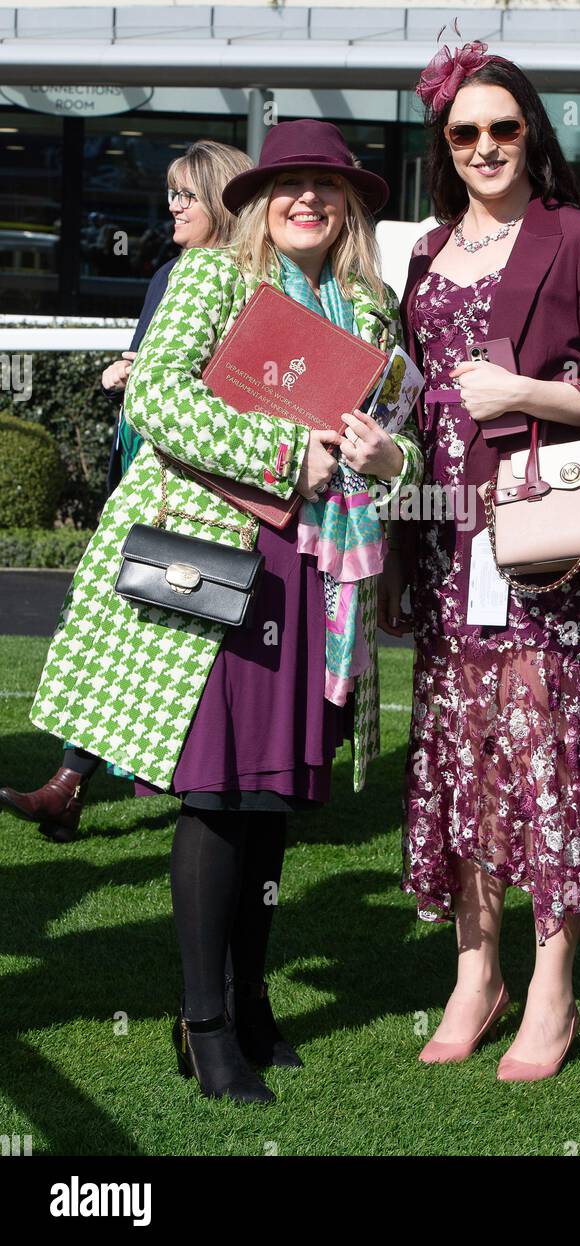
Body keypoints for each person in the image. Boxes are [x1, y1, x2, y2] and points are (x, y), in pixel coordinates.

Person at [27, 119, 422, 1104]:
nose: (306, 201)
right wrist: (286, 455)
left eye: (326, 188)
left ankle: (250, 1003)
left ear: (351, 207)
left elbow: (401, 441)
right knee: (216, 790)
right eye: (287, 185)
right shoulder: (211, 279)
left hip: (316, 573)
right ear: (255, 202)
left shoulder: (373, 310)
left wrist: (389, 460)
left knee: (271, 801)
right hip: (212, 555)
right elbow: (155, 399)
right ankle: (203, 1022)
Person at [394, 40, 580, 1083]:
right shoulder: (420, 251)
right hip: (438, 539)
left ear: (530, 133)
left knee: (538, 757)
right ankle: (473, 970)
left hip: (532, 541)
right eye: (464, 132)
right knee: (458, 756)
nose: (486, 146)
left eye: (503, 127)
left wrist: (527, 397)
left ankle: (550, 988)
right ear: (443, 146)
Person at [0, 140, 252, 842]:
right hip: (147, 464)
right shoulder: (171, 273)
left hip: (202, 478)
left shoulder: (235, 279)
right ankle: (72, 783)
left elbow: (237, 384)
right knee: (134, 620)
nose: (172, 207)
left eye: (186, 195)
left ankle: (78, 785)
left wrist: (148, 376)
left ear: (223, 203)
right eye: (170, 194)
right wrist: (130, 369)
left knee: (166, 620)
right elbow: (160, 359)